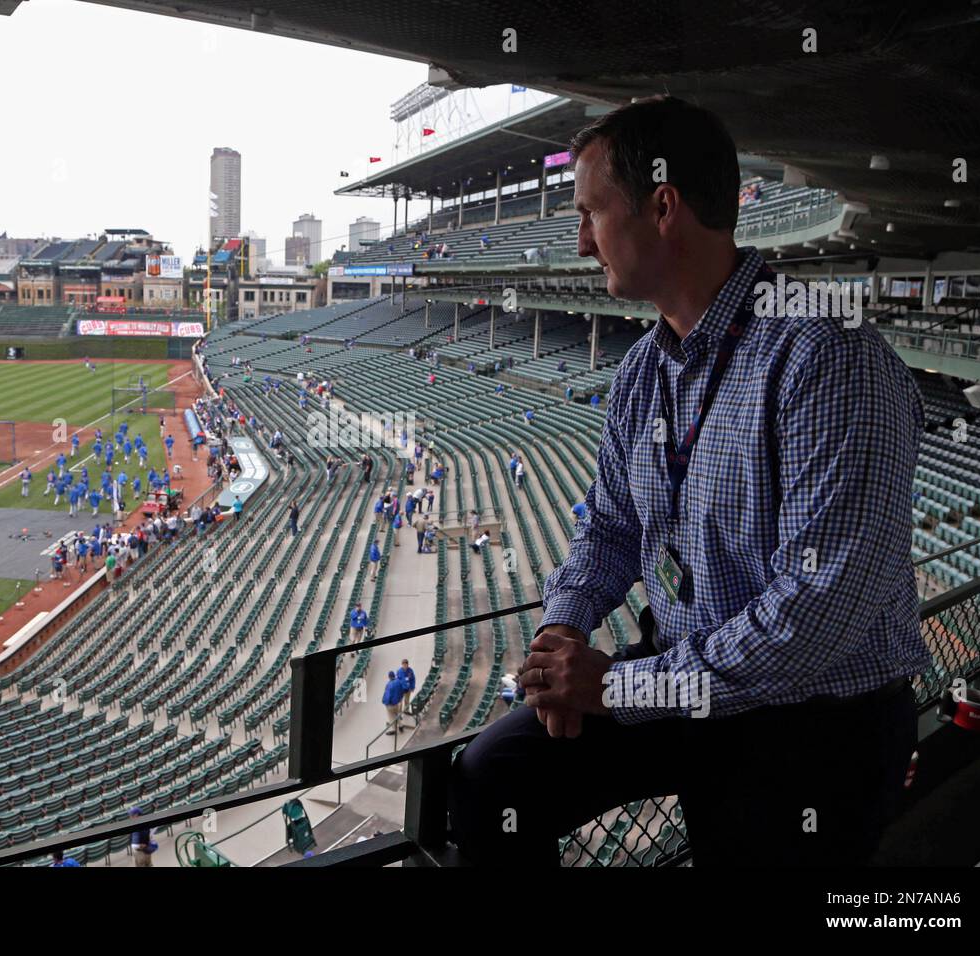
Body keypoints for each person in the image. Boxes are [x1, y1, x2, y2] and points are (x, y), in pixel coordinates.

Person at [448, 95, 927, 869]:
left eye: (591, 214)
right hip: (680, 666)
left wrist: (622, 690)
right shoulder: (643, 369)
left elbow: (816, 617)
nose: (580, 241)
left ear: (663, 207)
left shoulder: (827, 355)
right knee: (493, 778)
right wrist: (563, 629)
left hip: (812, 717)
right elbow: (611, 527)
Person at [382, 671, 405, 735]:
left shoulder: (389, 685)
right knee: (396, 714)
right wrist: (399, 699)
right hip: (397, 703)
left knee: (391, 717)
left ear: (389, 677)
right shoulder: (399, 682)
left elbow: (387, 695)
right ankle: (401, 726)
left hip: (390, 704)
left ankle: (394, 730)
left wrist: (385, 702)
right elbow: (402, 691)